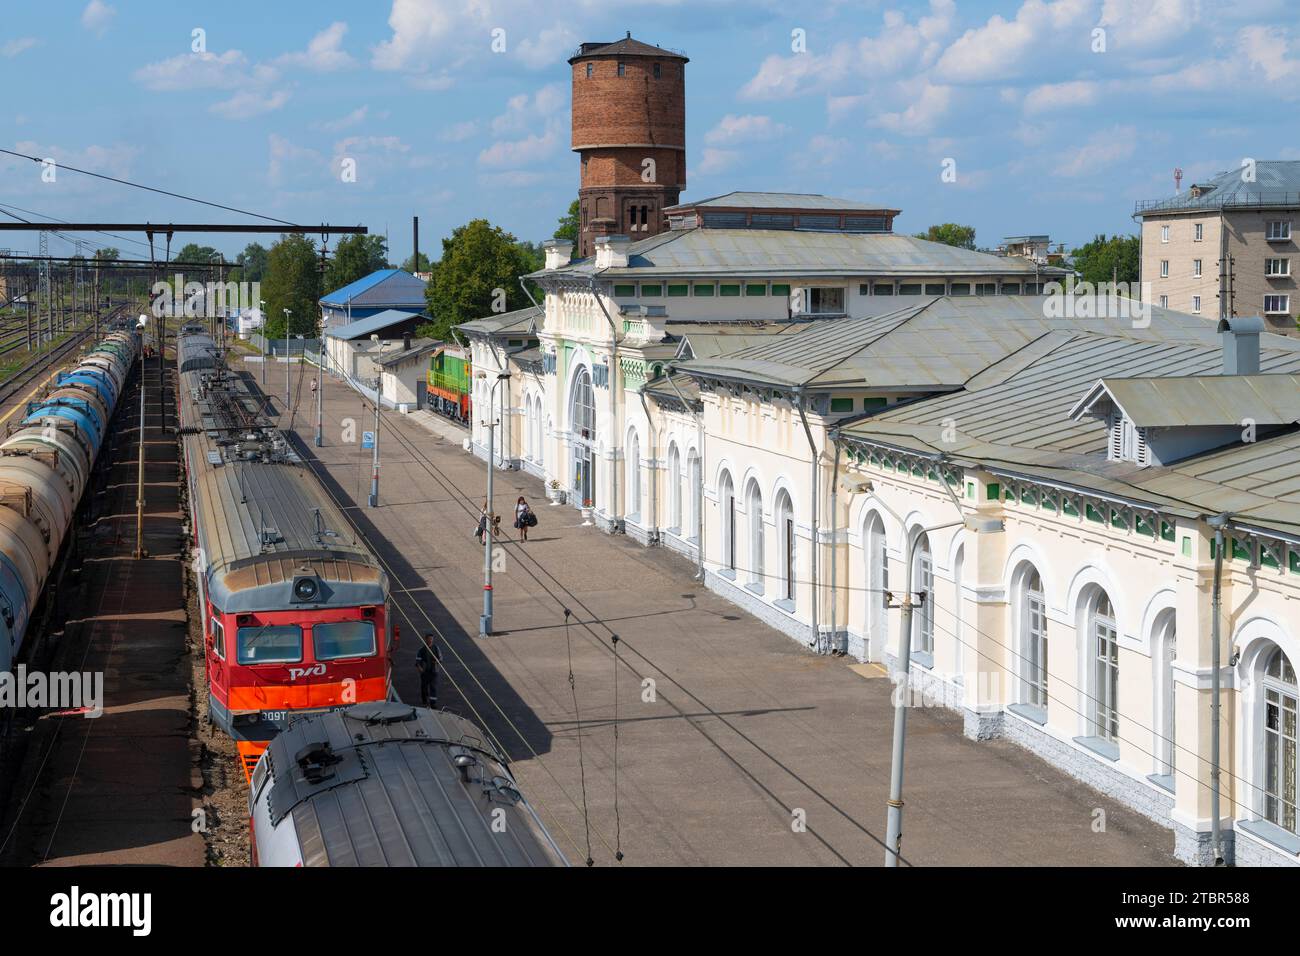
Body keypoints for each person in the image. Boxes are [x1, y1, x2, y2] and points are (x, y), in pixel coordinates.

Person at [415, 636, 442, 708]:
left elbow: (440, 658)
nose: (430, 640)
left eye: (431, 639)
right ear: (425, 640)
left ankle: (433, 703)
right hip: (425, 672)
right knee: (424, 687)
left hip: (434, 671)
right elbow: (417, 660)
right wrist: (419, 667)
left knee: (433, 687)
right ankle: (425, 700)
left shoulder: (436, 648)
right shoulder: (421, 650)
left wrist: (437, 661)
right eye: (429, 639)